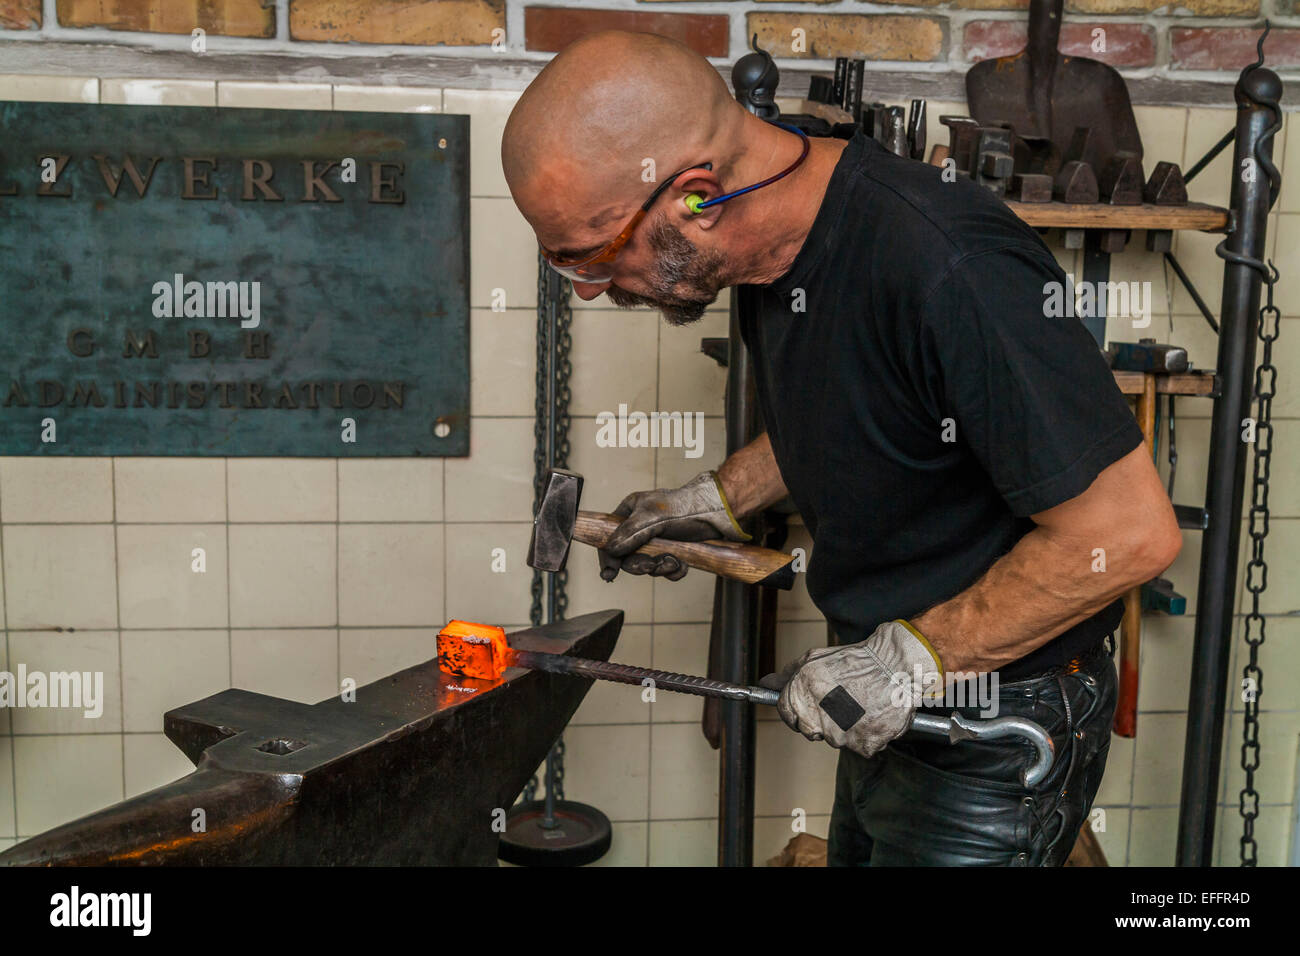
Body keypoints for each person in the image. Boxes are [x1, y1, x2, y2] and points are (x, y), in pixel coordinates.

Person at [501, 30, 1181, 866]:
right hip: (892, 688)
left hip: (992, 711)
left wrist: (916, 658)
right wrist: (713, 500)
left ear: (698, 196)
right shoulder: (766, 253)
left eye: (596, 257)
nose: (596, 291)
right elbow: (858, 403)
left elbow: (1130, 534)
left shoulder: (949, 262)